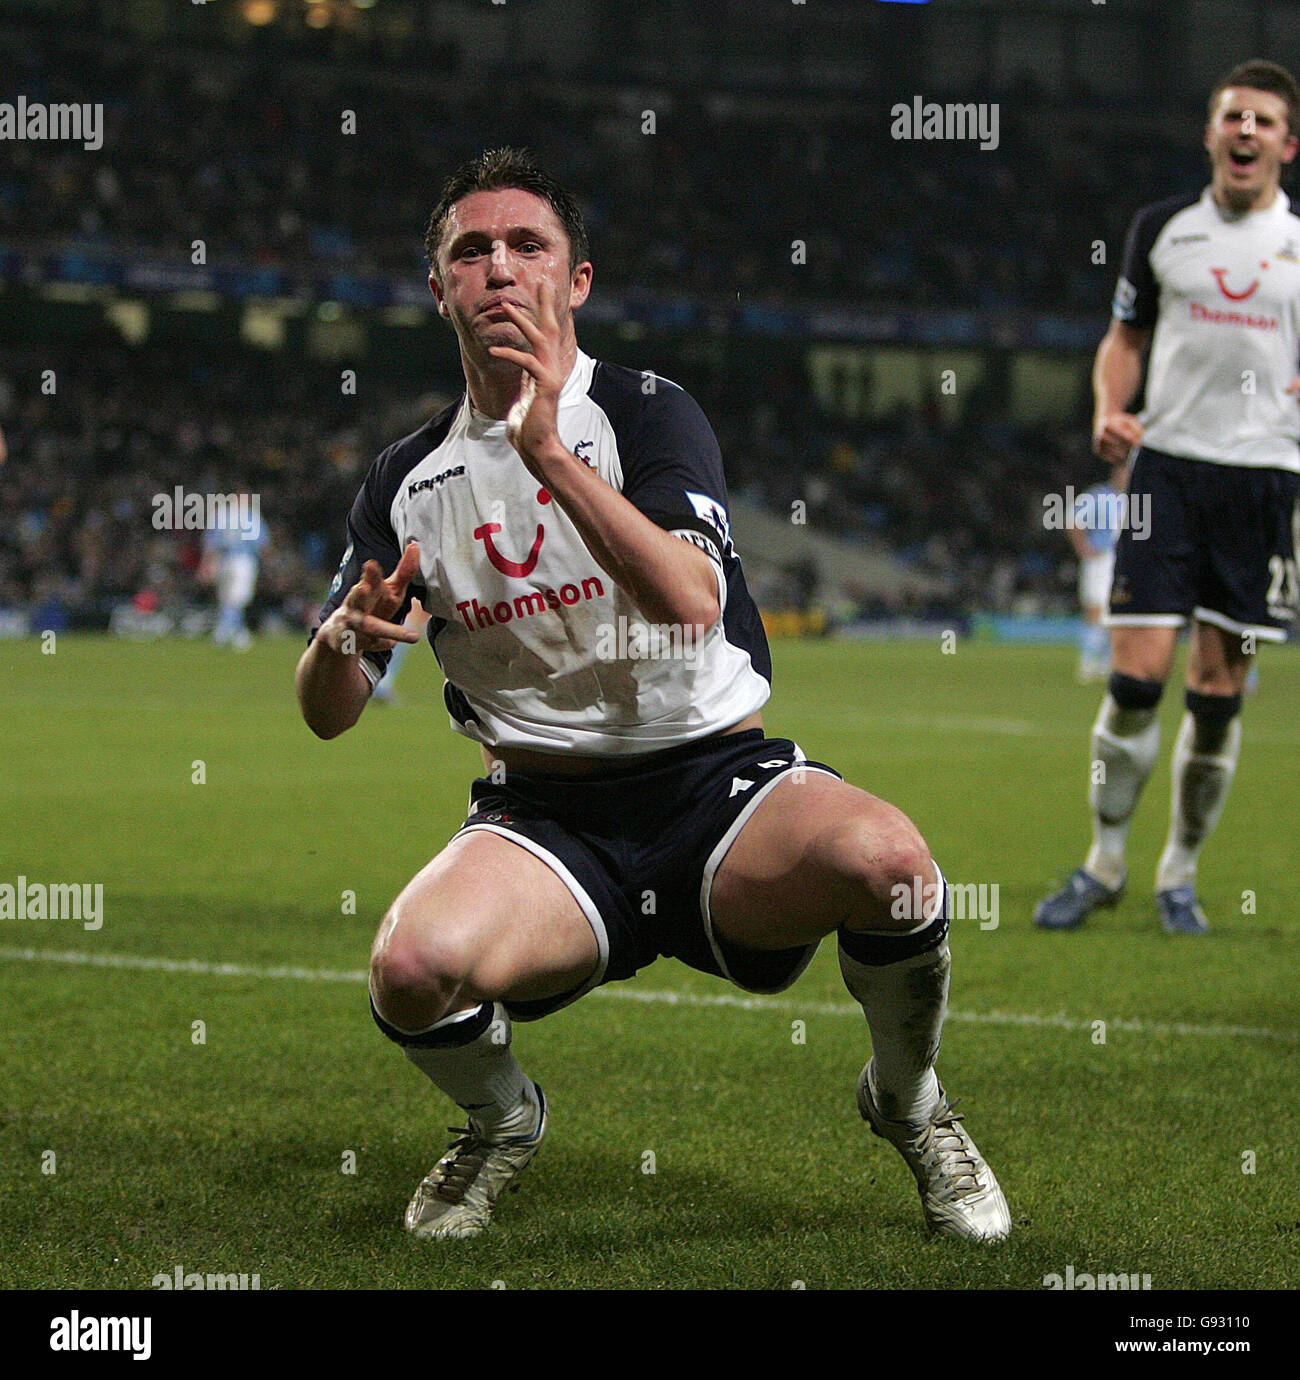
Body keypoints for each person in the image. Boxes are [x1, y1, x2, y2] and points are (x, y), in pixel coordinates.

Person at [296, 148, 1010, 1243]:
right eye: (468, 250)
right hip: (545, 820)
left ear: (575, 281)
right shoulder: (405, 477)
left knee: (894, 871)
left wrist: (549, 456)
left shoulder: (644, 411)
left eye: (526, 245)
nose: (497, 268)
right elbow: (328, 710)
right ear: (436, 287)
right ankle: (502, 1122)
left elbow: (687, 600)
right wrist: (341, 640)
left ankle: (909, 1103)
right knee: (408, 969)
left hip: (717, 791)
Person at [1036, 61, 1300, 936]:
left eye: (1263, 121)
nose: (1247, 132)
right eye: (1234, 117)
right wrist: (1112, 408)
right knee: (1136, 681)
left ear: (1286, 145)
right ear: (1212, 134)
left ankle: (1178, 873)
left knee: (1219, 692)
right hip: (1169, 473)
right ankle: (1104, 862)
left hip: (1267, 481)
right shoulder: (1162, 229)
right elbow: (1123, 338)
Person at [1068, 464, 1126, 682]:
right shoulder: (1098, 495)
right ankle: (1088, 661)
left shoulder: (1138, 498)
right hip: (1101, 560)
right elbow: (1073, 520)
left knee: (1119, 611)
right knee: (1095, 608)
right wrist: (1084, 548)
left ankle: (1109, 662)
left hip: (1125, 562)